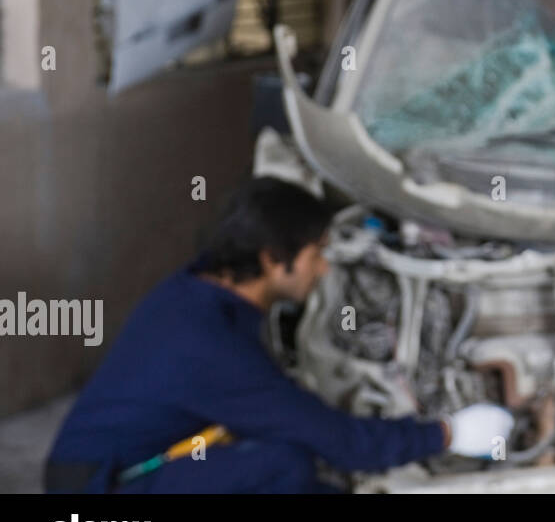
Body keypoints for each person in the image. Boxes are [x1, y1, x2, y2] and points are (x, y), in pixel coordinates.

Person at [45, 177, 511, 493]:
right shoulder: (207, 344)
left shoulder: (194, 291)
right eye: (317, 254)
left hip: (107, 471)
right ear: (274, 259)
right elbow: (341, 443)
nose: (325, 268)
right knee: (282, 465)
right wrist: (448, 433)